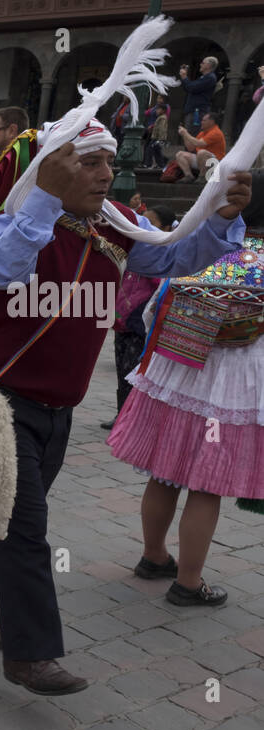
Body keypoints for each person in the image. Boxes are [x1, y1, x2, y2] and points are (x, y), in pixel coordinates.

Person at [0, 118, 249, 693]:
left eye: (108, 162)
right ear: (53, 167)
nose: (107, 174)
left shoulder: (118, 229)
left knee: (3, 517)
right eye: (91, 162)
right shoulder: (18, 218)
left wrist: (222, 217)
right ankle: (32, 654)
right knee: (25, 527)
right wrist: (44, 200)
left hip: (56, 410)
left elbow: (176, 260)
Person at [107, 175, 262, 607]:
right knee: (206, 483)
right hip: (228, 391)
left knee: (164, 470)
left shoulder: (208, 248)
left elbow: (158, 303)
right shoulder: (259, 261)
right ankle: (189, 582)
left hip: (175, 374)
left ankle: (153, 556)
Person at [102, 204, 174, 430]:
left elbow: (161, 286)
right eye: (144, 220)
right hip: (122, 318)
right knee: (122, 369)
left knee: (134, 371)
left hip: (139, 322)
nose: (146, 225)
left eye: (152, 223)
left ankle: (132, 419)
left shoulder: (157, 254)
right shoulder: (132, 248)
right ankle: (121, 414)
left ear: (164, 228)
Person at [174, 111, 227, 183]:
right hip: (204, 161)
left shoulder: (216, 132)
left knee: (201, 153)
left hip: (216, 163)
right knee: (180, 154)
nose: (201, 122)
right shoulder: (203, 132)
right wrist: (184, 135)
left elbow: (199, 143)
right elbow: (190, 148)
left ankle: (202, 177)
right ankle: (189, 176)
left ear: (212, 122)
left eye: (204, 120)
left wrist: (186, 133)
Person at [178, 56, 219, 131]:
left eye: (203, 63)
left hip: (197, 112)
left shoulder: (210, 78)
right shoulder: (204, 77)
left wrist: (184, 77)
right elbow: (189, 88)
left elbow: (192, 88)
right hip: (194, 111)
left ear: (209, 65)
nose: (200, 64)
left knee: (192, 135)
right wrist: (184, 78)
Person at [143, 93, 170, 168]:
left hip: (157, 137)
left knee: (150, 149)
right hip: (154, 134)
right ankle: (161, 164)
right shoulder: (157, 108)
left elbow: (162, 129)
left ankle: (148, 164)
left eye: (160, 98)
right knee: (155, 150)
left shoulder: (163, 116)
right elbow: (148, 112)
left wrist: (161, 139)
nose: (158, 99)